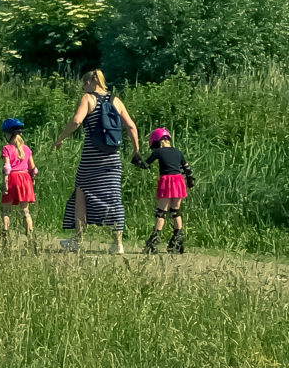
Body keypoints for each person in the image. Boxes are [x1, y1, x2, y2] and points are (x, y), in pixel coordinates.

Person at [51, 69, 135, 255]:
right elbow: (130, 125)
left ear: (91, 82)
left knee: (81, 193)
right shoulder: (116, 100)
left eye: (84, 84)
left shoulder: (88, 98)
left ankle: (78, 239)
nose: (84, 87)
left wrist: (60, 138)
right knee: (114, 197)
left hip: (91, 158)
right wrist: (136, 150)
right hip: (113, 158)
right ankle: (118, 243)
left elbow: (77, 121)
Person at [133, 127, 194, 255]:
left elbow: (146, 165)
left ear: (159, 142)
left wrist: (136, 160)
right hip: (178, 181)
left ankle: (153, 242)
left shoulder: (158, 152)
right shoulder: (178, 152)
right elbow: (188, 170)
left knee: (161, 212)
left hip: (166, 181)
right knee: (175, 211)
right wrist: (190, 182)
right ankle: (177, 241)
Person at [0, 117, 37, 243]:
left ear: (9, 134)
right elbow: (33, 169)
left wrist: (5, 182)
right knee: (25, 210)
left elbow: (7, 167)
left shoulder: (7, 148)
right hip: (25, 179)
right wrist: (32, 179)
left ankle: (5, 231)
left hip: (13, 178)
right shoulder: (27, 149)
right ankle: (30, 234)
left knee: (6, 209)